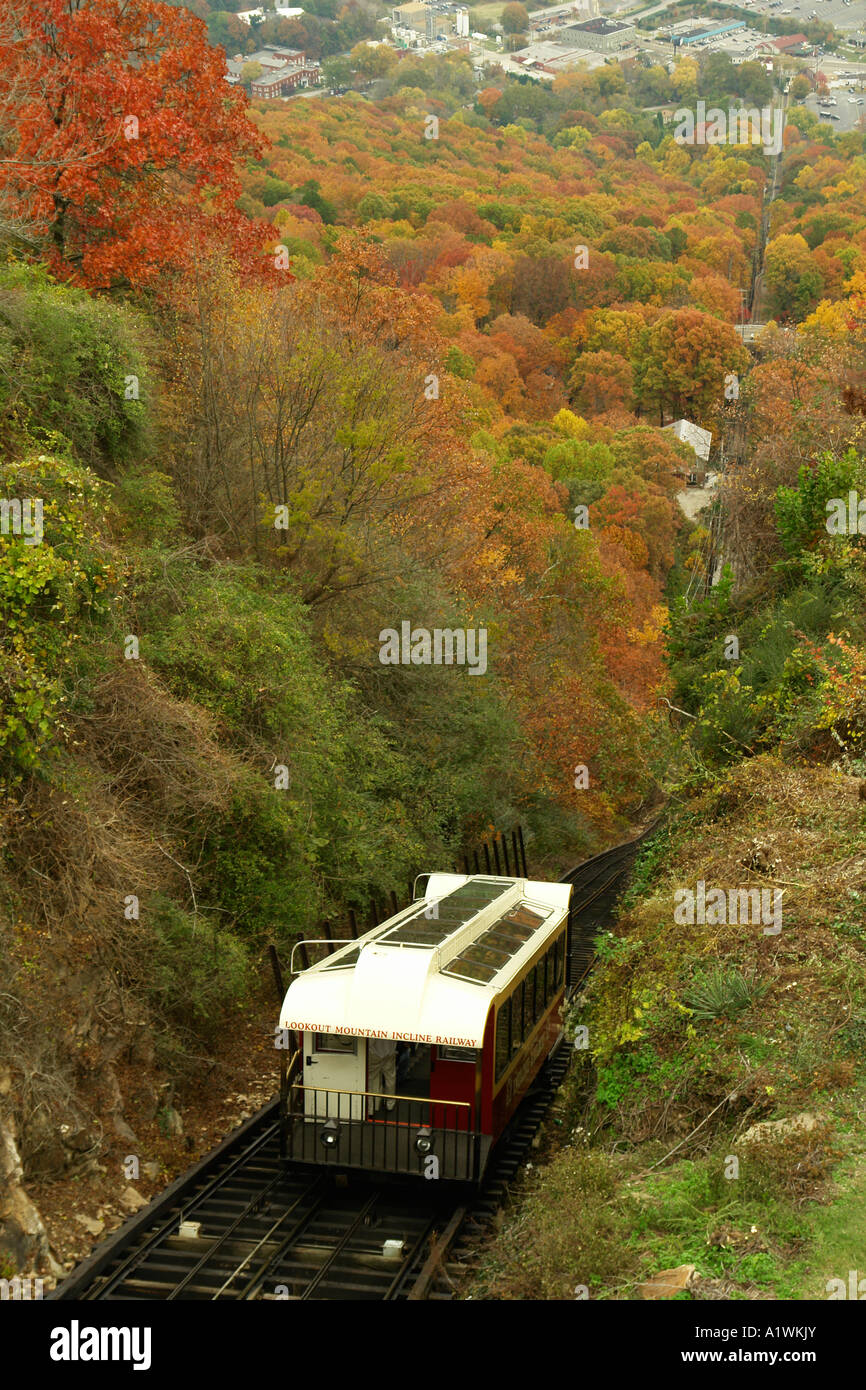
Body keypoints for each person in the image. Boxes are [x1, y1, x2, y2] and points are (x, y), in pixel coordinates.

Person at [367, 1038, 396, 1113]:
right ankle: (390, 1104)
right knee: (390, 1078)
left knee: (370, 1080)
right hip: (390, 1053)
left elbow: (370, 1042)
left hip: (375, 1054)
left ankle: (370, 1108)